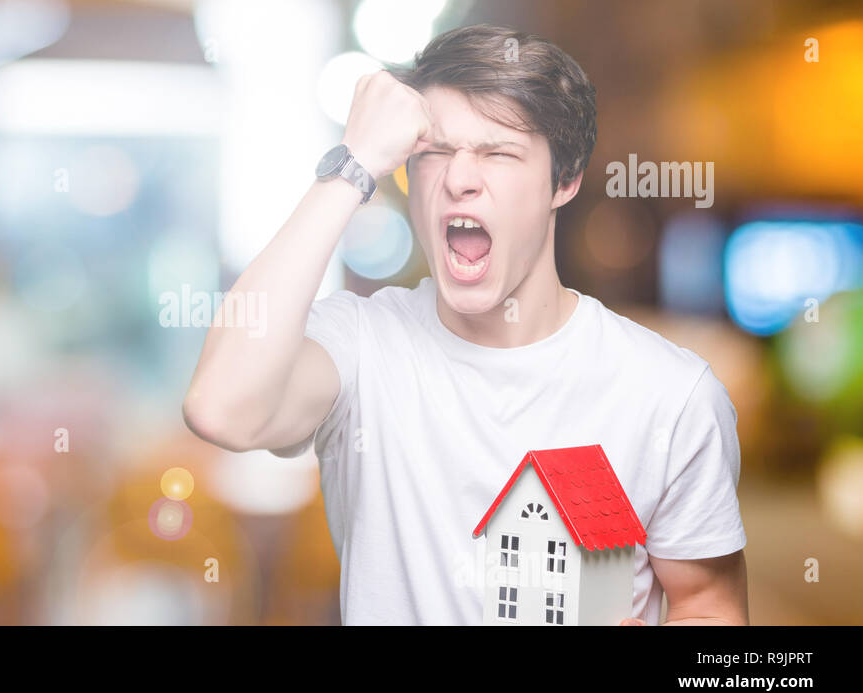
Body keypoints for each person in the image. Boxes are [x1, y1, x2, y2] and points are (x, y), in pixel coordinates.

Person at [182, 24, 748, 625]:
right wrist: (354, 164)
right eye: (434, 154)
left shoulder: (672, 395)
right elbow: (221, 409)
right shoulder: (359, 348)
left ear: (565, 180)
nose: (459, 179)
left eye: (498, 152)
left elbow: (710, 609)